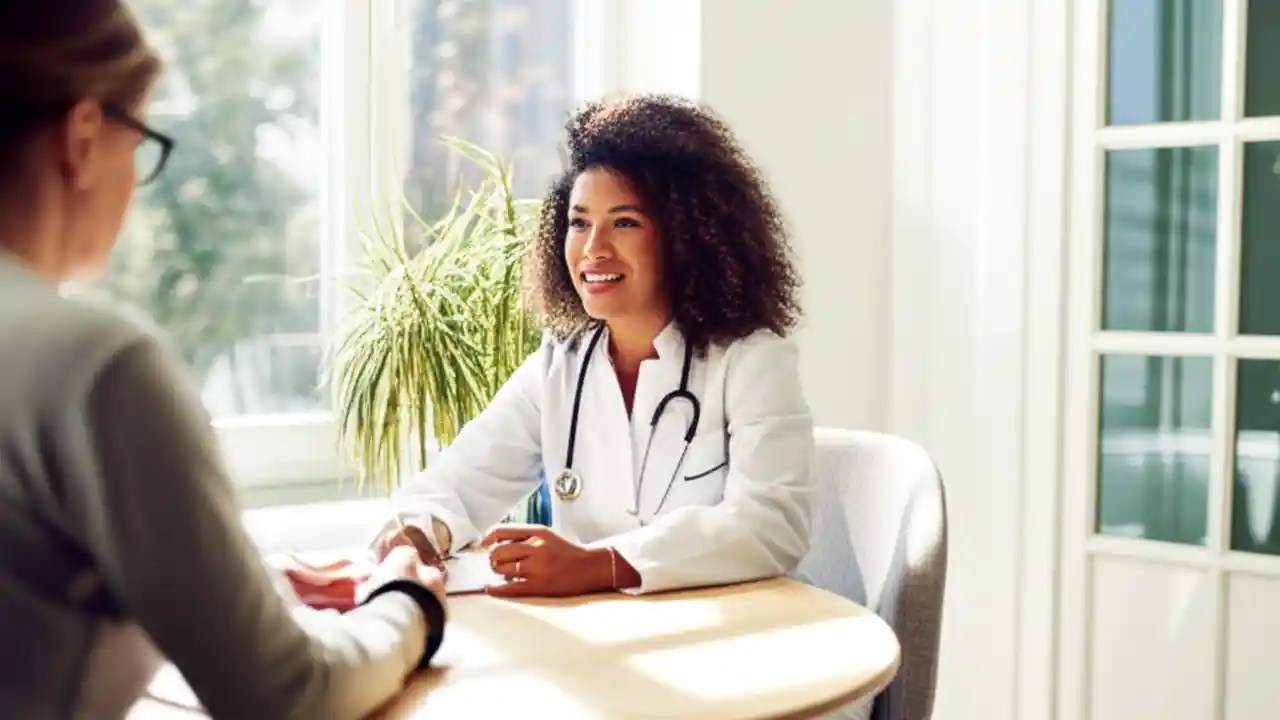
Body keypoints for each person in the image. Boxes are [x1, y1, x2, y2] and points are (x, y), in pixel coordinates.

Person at [0, 3, 445, 718]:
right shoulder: (90, 362)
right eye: (139, 142)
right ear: (83, 137)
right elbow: (290, 695)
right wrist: (410, 603)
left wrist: (240, 582)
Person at [372, 94, 816, 597]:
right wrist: (415, 537)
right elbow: (456, 483)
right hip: (610, 641)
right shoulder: (561, 364)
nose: (593, 248)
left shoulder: (752, 360)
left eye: (624, 223)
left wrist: (603, 565)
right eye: (580, 222)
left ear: (685, 236)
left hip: (744, 634)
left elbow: (771, 525)